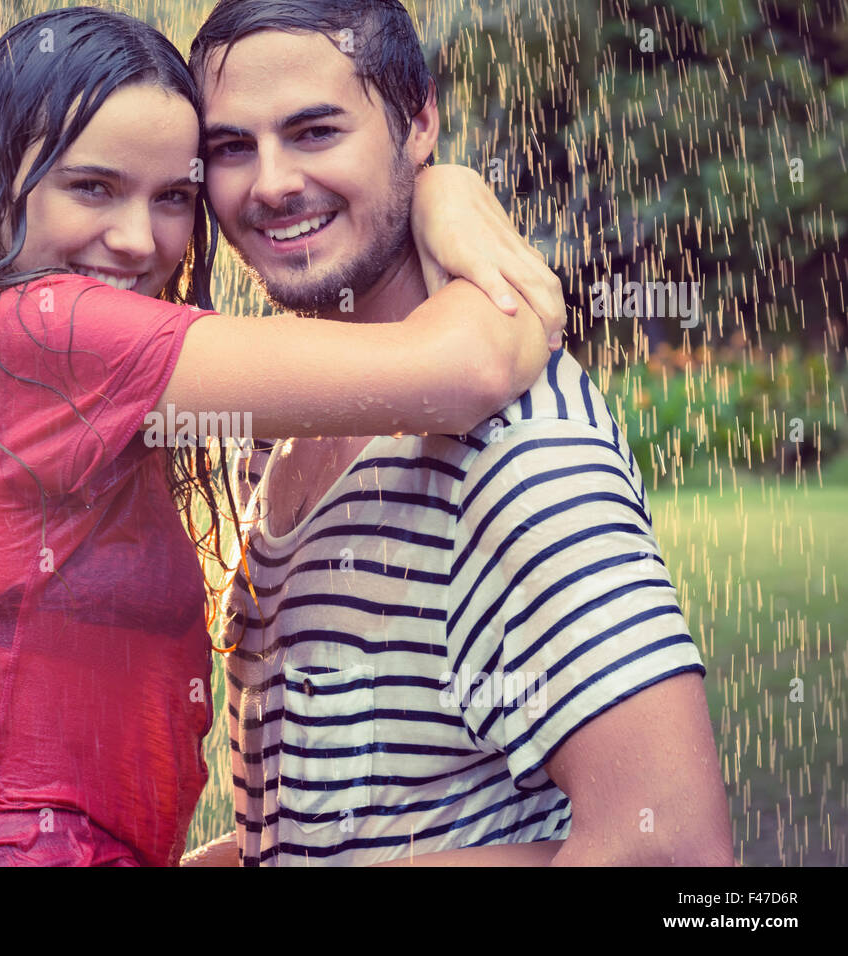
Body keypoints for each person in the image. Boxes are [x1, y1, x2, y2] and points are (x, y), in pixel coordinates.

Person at [0, 5, 563, 867]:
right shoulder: (45, 333)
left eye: (174, 197)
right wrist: (445, 192)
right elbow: (471, 368)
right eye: (92, 188)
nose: (139, 241)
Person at [182, 0, 734, 866]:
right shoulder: (287, 425)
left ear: (419, 123)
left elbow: (671, 850)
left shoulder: (516, 446)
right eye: (230, 147)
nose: (270, 182)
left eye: (317, 131)